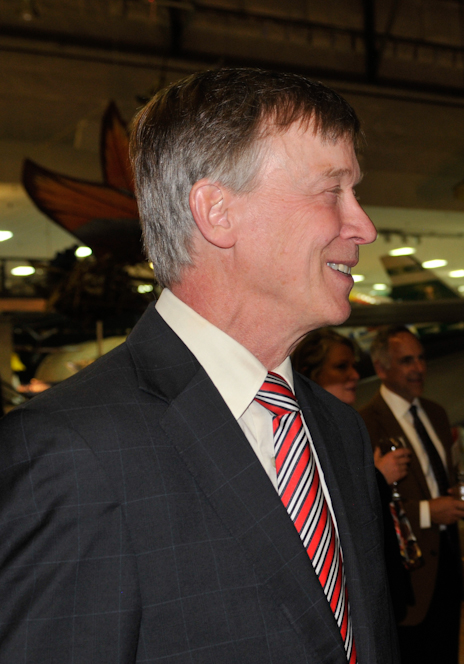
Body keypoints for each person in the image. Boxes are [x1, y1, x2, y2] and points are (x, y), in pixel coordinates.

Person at [0, 68, 398, 664]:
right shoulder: (71, 453)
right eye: (331, 191)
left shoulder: (338, 430)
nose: (363, 226)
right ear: (217, 211)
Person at [359, 326, 464, 664]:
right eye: (406, 361)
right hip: (408, 578)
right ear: (381, 368)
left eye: (422, 358)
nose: (418, 368)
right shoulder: (364, 423)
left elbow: (445, 475)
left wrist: (462, 497)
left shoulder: (436, 413)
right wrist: (428, 512)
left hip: (447, 570)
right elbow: (367, 506)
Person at [292, 327, 415, 620]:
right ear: (309, 373)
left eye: (354, 366)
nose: (354, 375)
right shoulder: (300, 434)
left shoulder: (349, 426)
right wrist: (379, 478)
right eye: (340, 367)